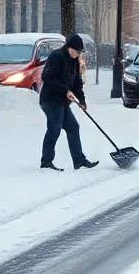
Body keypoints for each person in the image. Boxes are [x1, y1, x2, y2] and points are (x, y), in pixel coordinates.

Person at [39, 34, 99, 171]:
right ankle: (46, 162)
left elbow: (77, 83)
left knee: (73, 127)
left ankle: (79, 161)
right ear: (69, 48)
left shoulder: (74, 61)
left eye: (80, 52)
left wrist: (82, 100)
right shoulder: (57, 56)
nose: (79, 54)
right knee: (54, 129)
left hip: (62, 102)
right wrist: (65, 90)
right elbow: (47, 77)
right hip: (50, 100)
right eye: (77, 51)